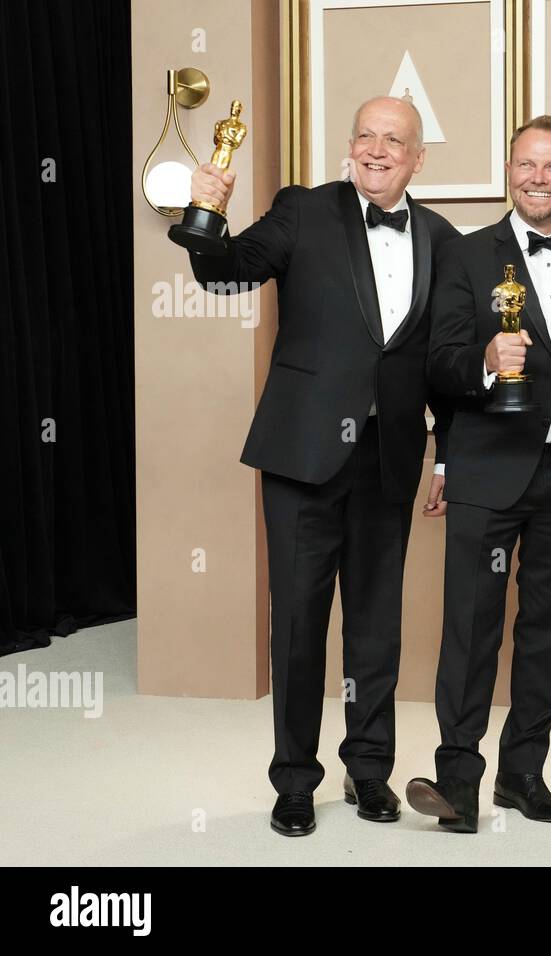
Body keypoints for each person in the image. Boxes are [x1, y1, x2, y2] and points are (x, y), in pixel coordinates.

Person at [186, 96, 458, 836]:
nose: (377, 148)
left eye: (393, 139)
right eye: (365, 135)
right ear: (350, 145)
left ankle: (370, 772)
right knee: (301, 625)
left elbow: (447, 366)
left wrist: (450, 462)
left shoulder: (441, 238)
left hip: (390, 459)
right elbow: (224, 273)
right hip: (304, 454)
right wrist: (205, 213)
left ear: (417, 157)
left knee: (376, 628)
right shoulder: (303, 211)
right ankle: (295, 782)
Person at [406, 116, 551, 833]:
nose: (538, 178)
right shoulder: (465, 257)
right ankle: (458, 783)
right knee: (470, 632)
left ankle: (523, 775)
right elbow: (435, 364)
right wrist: (480, 367)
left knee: (547, 633)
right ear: (508, 171)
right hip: (488, 469)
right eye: (526, 165)